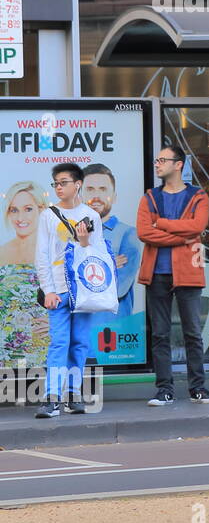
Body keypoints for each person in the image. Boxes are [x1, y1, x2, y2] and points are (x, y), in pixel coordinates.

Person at [137, 145, 209, 406]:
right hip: (156, 272)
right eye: (156, 159)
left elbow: (197, 227)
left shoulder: (198, 195)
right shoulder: (149, 197)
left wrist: (161, 223)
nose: (157, 164)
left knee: (193, 332)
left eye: (162, 160)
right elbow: (143, 232)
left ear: (178, 164)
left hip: (188, 272)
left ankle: (198, 388)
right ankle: (164, 389)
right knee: (160, 333)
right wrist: (181, 237)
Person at [34, 163, 108, 419]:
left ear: (77, 184)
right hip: (58, 289)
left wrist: (85, 241)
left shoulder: (91, 215)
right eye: (55, 182)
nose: (58, 187)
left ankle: (74, 395)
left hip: (83, 291)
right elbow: (42, 255)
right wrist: (48, 290)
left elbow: (97, 258)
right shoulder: (48, 215)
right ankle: (52, 398)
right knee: (59, 343)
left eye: (63, 182)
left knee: (79, 344)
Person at [83, 163, 142, 327]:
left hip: (112, 334)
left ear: (114, 196)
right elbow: (61, 282)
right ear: (79, 194)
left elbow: (118, 289)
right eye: (90, 189)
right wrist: (108, 264)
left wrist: (79, 272)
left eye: (103, 189)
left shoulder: (128, 234)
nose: (96, 195)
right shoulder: (71, 233)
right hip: (77, 335)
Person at [0, 181, 50, 365]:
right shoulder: (1, 253)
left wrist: (58, 322)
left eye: (28, 209)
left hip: (44, 348)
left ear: (41, 210)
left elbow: (75, 295)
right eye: (14, 210)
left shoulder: (55, 251)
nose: (20, 217)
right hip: (4, 351)